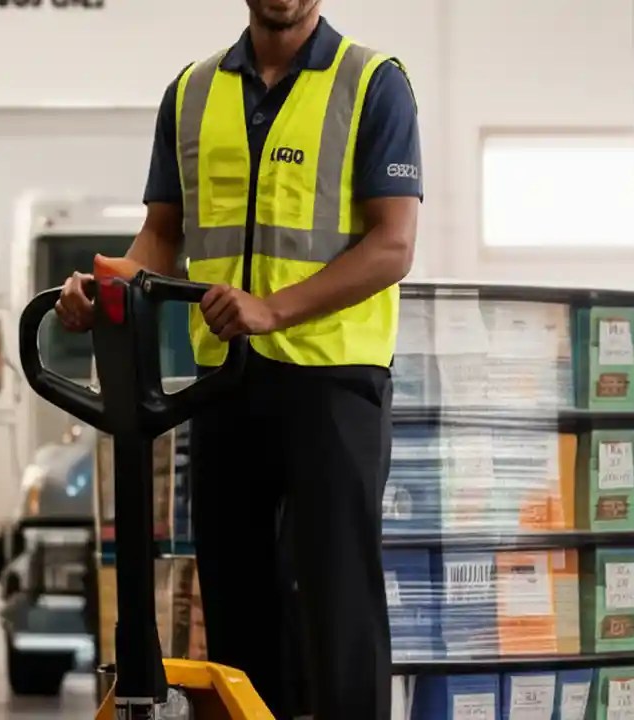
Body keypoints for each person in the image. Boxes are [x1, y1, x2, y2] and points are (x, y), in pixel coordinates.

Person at [54, 1, 421, 717]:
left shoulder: (373, 82)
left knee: (336, 601)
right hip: (223, 383)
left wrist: (274, 309)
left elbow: (393, 245)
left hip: (332, 379)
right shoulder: (191, 93)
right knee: (237, 599)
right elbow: (161, 237)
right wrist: (103, 290)